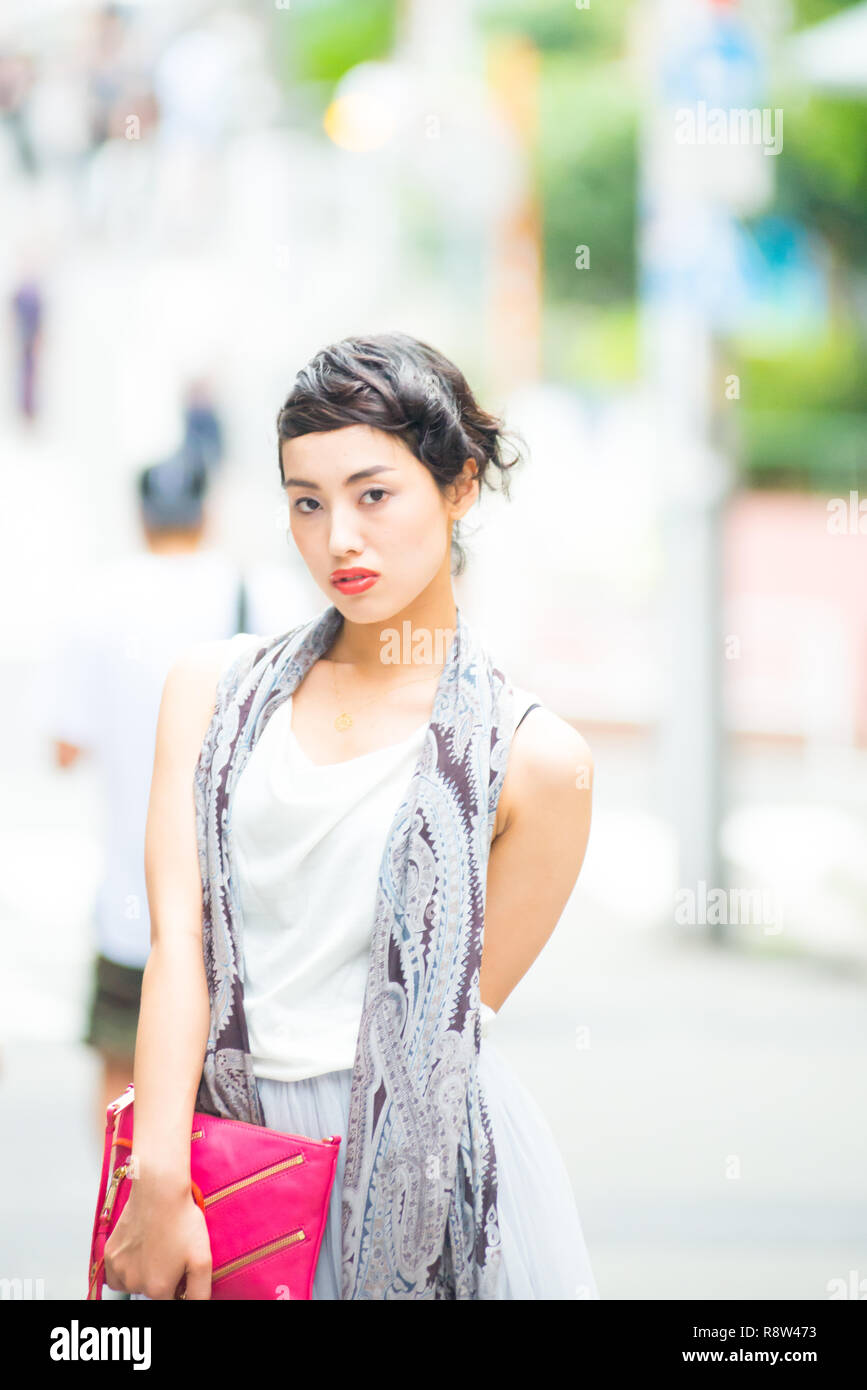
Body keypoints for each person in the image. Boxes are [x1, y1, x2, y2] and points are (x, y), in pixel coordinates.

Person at [110, 332, 599, 1300]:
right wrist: (158, 1173)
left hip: (425, 1179)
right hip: (224, 1154)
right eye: (307, 501)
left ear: (459, 486)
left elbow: (446, 1028)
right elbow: (181, 947)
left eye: (374, 493)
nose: (339, 537)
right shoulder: (210, 688)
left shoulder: (536, 762)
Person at [39, 455, 251, 1145]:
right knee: (224, 1094)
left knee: (120, 1074)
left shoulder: (95, 603)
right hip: (234, 906)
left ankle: (121, 1223)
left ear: (139, 516)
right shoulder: (254, 594)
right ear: (206, 512)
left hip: (132, 904)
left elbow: (65, 750)